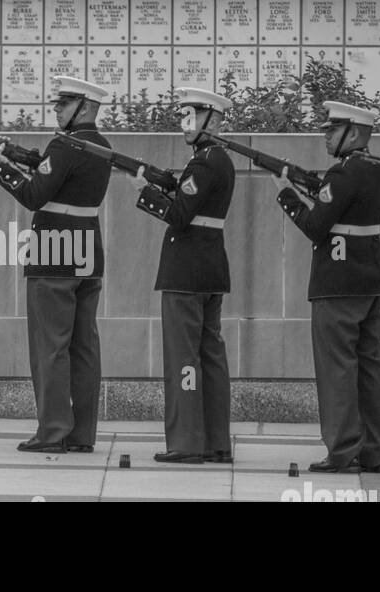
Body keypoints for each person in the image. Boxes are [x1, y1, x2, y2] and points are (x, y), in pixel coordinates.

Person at [0, 76, 112, 454]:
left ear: (86, 108)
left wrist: (2, 168)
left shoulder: (66, 145)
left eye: (64, 103)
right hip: (87, 250)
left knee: (50, 347)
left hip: (53, 253)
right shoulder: (104, 146)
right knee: (83, 347)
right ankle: (80, 434)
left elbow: (33, 195)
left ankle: (53, 431)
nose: (56, 109)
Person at [272, 101, 380, 473]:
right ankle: (375, 452)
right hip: (370, 280)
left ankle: (342, 450)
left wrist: (286, 193)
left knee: (337, 370)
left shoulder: (343, 173)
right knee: (369, 369)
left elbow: (315, 226)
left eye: (331, 130)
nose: (324, 135)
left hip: (337, 285)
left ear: (353, 133)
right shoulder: (375, 170)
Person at [130, 87, 235, 464]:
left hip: (185, 273)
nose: (185, 122)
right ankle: (215, 441)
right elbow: (191, 202)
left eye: (192, 115)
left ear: (212, 120)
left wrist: (146, 192)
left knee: (184, 360)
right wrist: (167, 185)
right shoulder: (219, 160)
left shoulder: (204, 163)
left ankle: (187, 441)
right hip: (208, 270)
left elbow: (179, 216)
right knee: (210, 358)